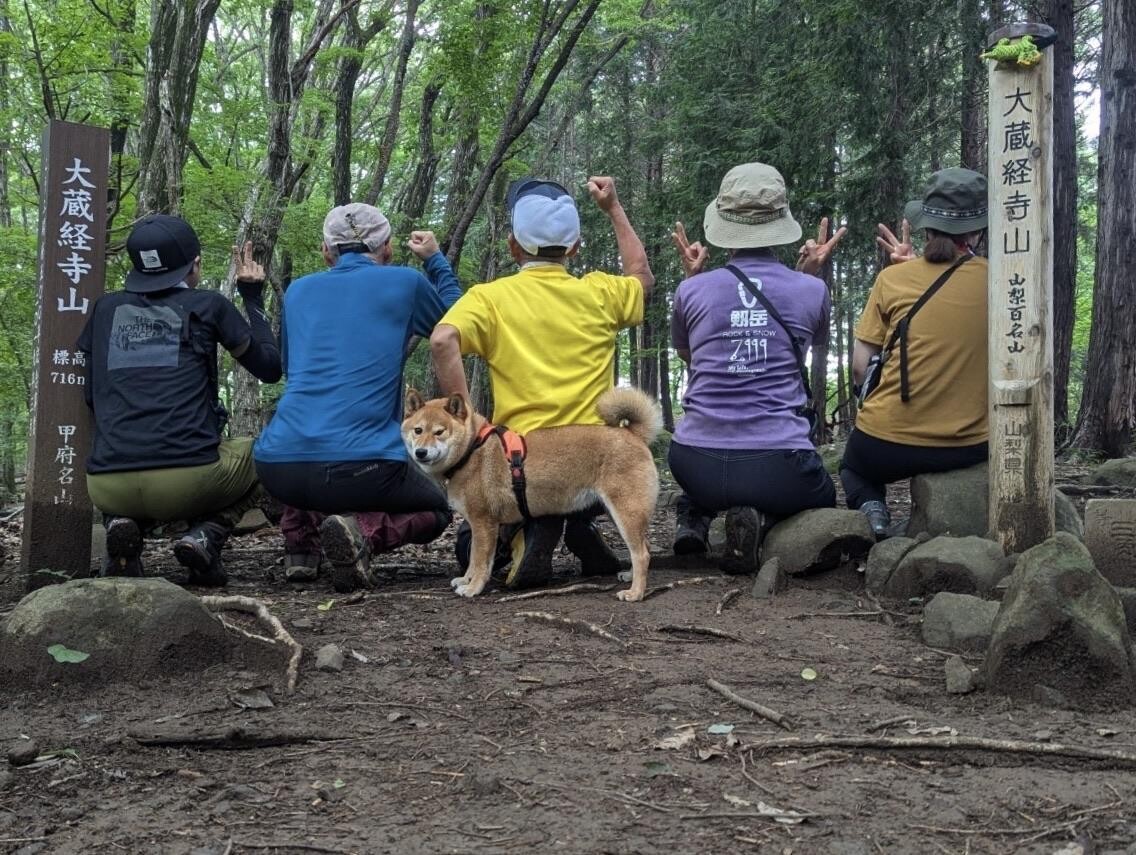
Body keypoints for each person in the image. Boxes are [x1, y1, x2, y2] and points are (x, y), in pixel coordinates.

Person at [430, 175, 654, 590]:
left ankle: (530, 534)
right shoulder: (600, 292)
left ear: (514, 246)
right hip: (590, 458)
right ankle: (579, 528)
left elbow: (443, 339)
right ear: (574, 248)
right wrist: (614, 209)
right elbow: (642, 277)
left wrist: (464, 418)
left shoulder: (490, 297)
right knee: (596, 490)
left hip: (520, 469)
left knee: (472, 538)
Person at [254, 203, 461, 592]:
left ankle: (300, 546)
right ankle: (362, 534)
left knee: (311, 432)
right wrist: (434, 261)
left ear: (325, 251)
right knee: (438, 507)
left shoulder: (298, 291)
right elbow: (456, 325)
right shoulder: (404, 283)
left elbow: (288, 365)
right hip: (364, 467)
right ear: (388, 250)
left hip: (278, 467)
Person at [79, 214, 282, 585]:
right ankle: (205, 535)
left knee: (138, 476)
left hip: (107, 484)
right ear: (196, 265)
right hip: (188, 480)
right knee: (267, 451)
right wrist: (252, 296)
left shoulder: (104, 310)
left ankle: (121, 526)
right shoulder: (208, 305)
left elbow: (92, 396)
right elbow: (269, 368)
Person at [667, 162, 842, 572]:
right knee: (823, 499)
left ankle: (694, 514)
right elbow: (800, 345)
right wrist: (806, 275)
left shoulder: (691, 290)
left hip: (695, 460)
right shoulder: (812, 290)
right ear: (780, 223)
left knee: (700, 490)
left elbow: (693, 358)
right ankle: (762, 521)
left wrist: (695, 282)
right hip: (778, 464)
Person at [841, 167, 989, 537]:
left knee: (853, 469)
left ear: (925, 226)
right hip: (971, 444)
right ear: (976, 231)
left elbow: (861, 369)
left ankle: (874, 512)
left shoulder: (892, 279)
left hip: (886, 441)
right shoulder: (1002, 279)